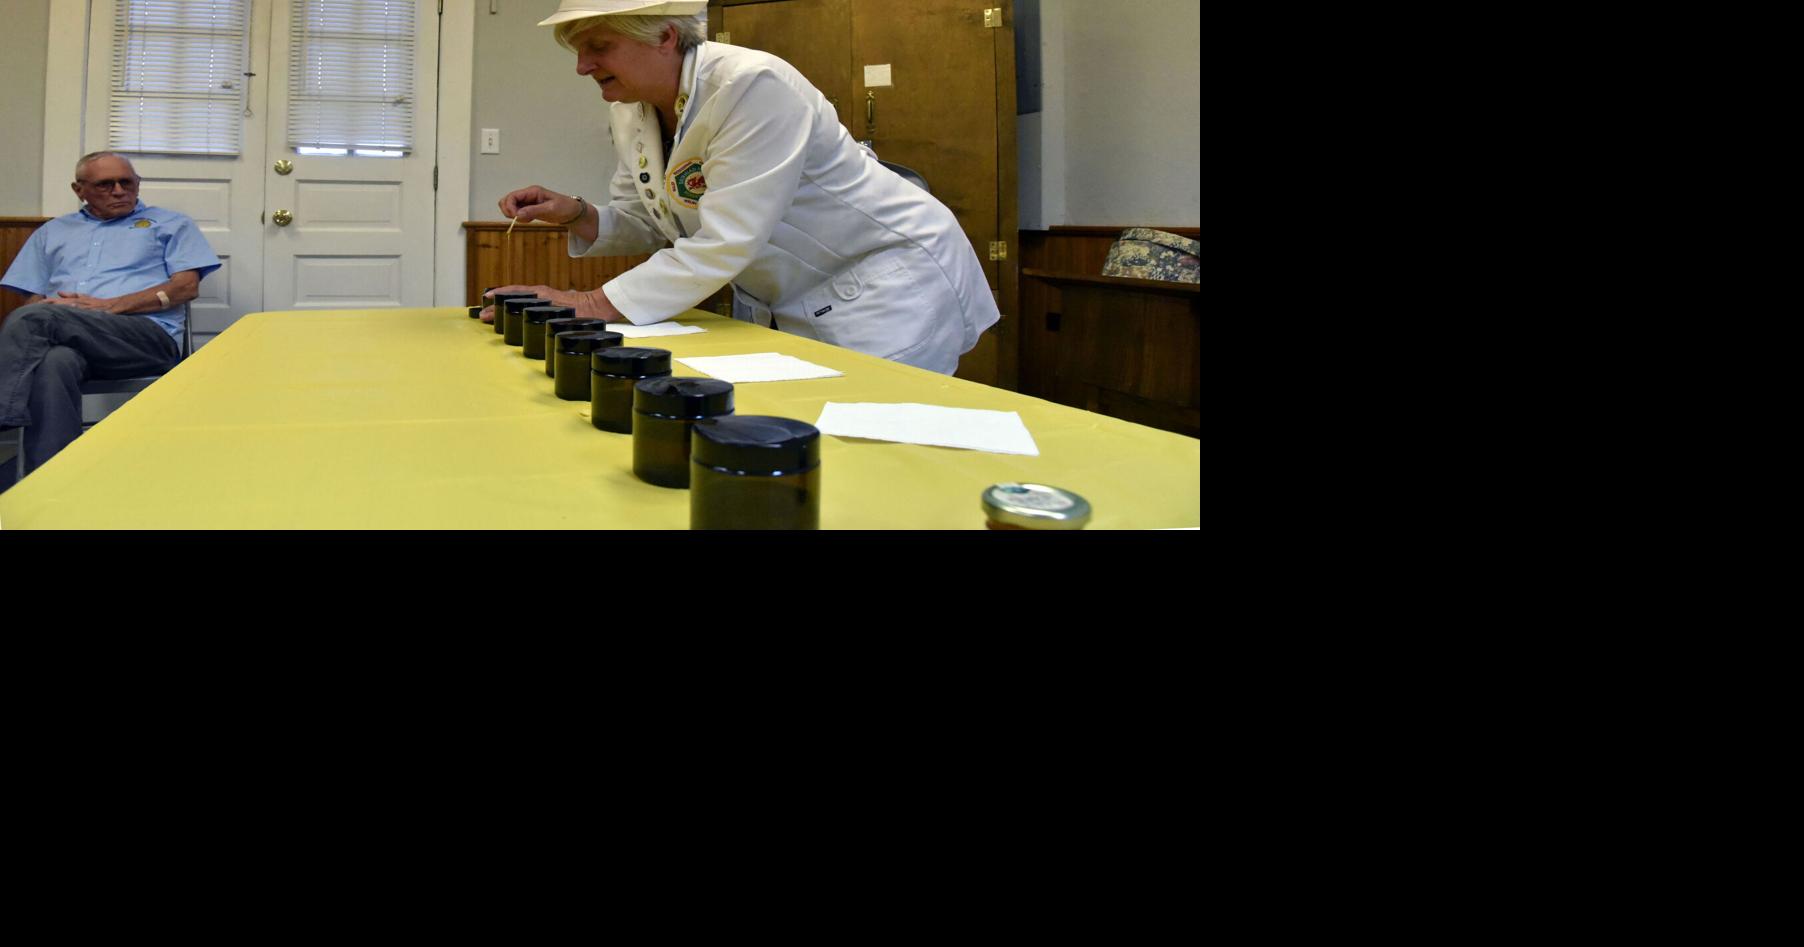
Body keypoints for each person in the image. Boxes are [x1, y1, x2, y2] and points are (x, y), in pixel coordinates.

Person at [485, 0, 999, 375]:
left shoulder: (752, 86)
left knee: (882, 447)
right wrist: (575, 213)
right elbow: (650, 219)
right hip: (799, 296)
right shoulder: (631, 111)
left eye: (599, 47)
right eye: (578, 51)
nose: (582, 67)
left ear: (664, 36)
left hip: (885, 285)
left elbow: (725, 241)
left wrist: (592, 304)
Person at [0, 151, 220, 476]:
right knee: (53, 361)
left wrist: (106, 306)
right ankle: (51, 481)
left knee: (38, 319)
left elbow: (185, 288)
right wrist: (61, 315)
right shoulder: (52, 232)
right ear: (79, 190)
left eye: (126, 182)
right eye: (105, 184)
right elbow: (35, 300)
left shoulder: (171, 224)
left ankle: (3, 414)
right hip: (70, 338)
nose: (119, 191)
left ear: (137, 183)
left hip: (143, 337)